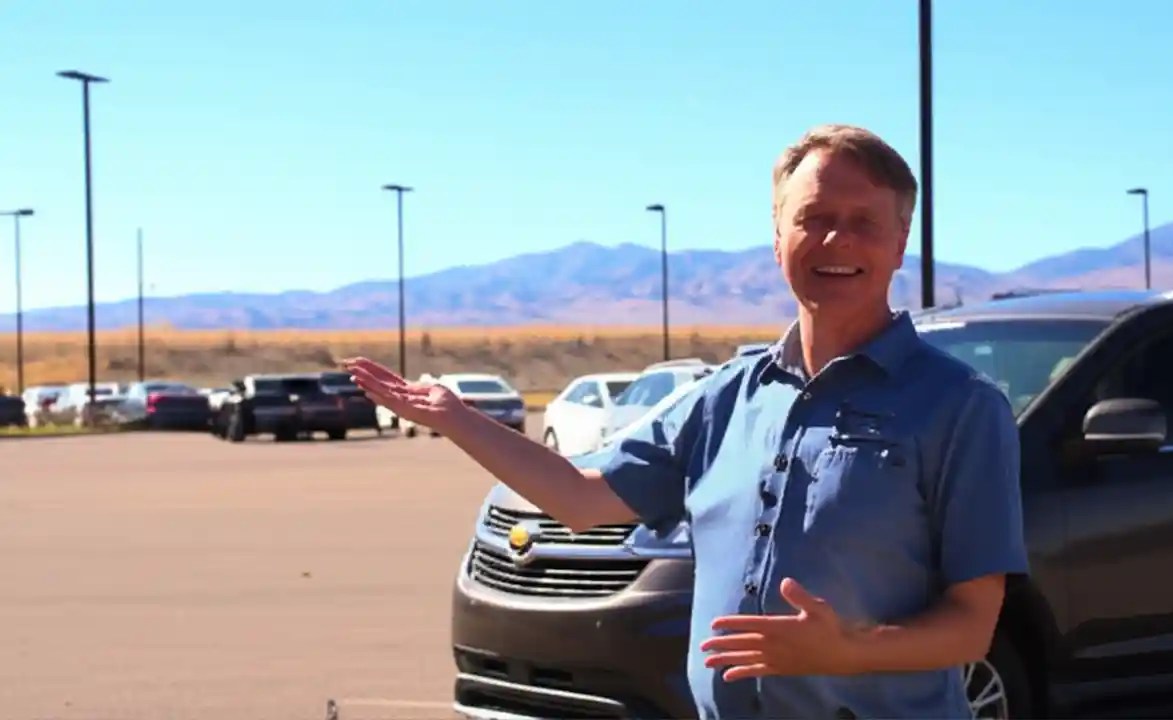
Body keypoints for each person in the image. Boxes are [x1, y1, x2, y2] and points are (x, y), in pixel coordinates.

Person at [344, 123, 1027, 719]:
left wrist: (849, 651)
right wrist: (458, 419)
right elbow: (581, 498)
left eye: (863, 221)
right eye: (813, 216)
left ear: (900, 238)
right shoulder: (725, 397)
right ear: (777, 232)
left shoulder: (959, 406)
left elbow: (972, 625)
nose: (834, 239)